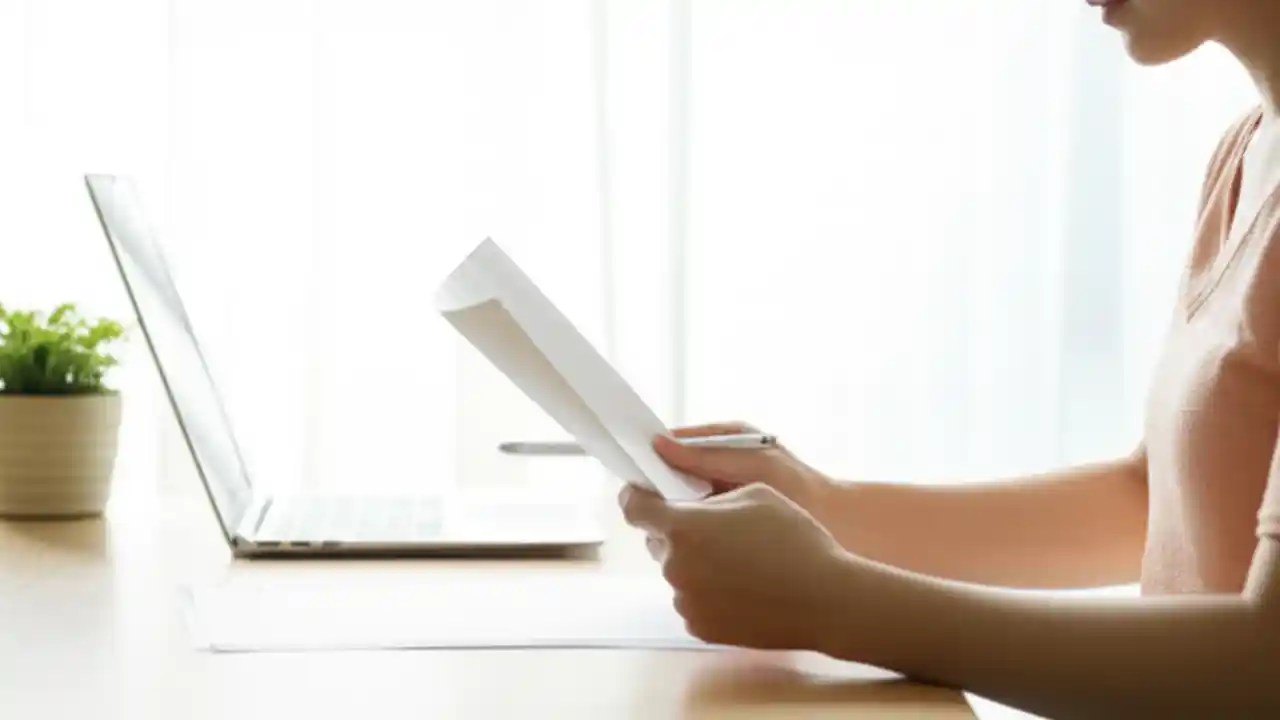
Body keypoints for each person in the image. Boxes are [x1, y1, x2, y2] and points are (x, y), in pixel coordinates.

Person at [619, 1, 1280, 717]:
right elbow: (1153, 505)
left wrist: (835, 603)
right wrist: (826, 510)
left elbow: (1264, 662)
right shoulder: (1248, 150)